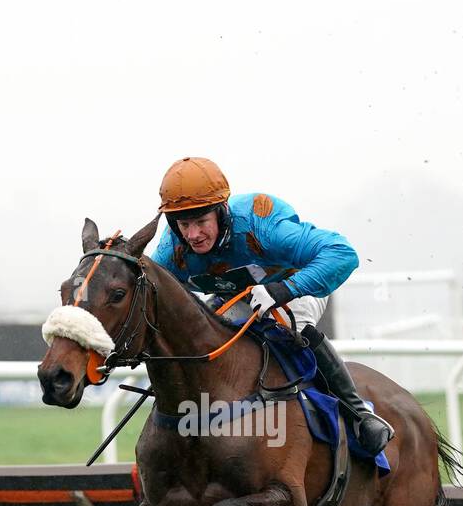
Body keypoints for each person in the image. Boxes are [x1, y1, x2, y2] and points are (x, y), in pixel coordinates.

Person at [150, 156, 394, 455]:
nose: (193, 235)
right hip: (234, 297)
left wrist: (284, 289)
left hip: (296, 287)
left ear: (222, 212)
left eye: (201, 222)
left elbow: (343, 253)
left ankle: (360, 415)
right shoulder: (171, 249)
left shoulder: (262, 225)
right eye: (184, 224)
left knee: (291, 328)